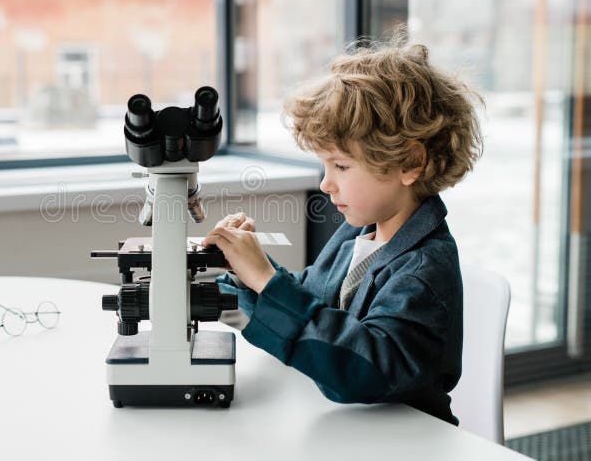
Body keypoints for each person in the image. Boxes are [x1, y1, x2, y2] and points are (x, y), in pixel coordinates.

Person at [202, 37, 485, 425]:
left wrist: (267, 282)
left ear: (410, 163)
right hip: (351, 430)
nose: (325, 183)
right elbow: (312, 304)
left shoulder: (423, 269)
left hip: (408, 442)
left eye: (341, 166)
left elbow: (364, 367)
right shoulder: (359, 235)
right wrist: (245, 271)